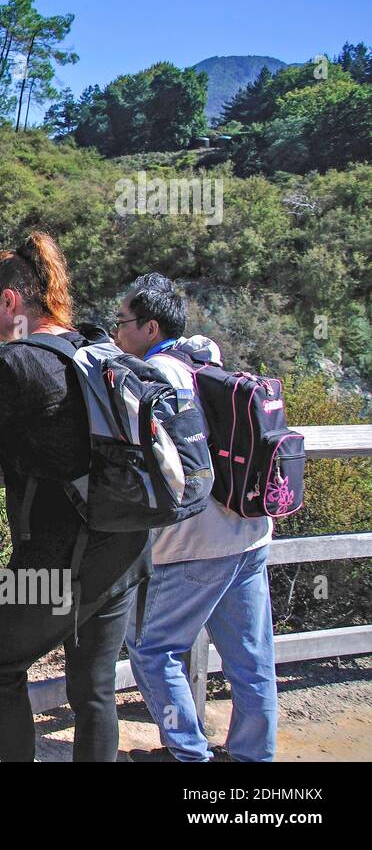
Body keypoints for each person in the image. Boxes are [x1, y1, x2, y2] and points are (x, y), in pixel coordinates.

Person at [0, 231, 152, 762]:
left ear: (10, 301)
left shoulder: (12, 364)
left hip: (58, 559)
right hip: (126, 546)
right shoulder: (92, 348)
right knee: (94, 688)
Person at [110, 273, 277, 762]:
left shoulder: (156, 376)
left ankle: (188, 755)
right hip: (249, 532)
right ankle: (253, 757)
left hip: (195, 544)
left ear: (150, 327)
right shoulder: (208, 362)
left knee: (151, 647)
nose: (116, 332)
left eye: (122, 323)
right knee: (252, 661)